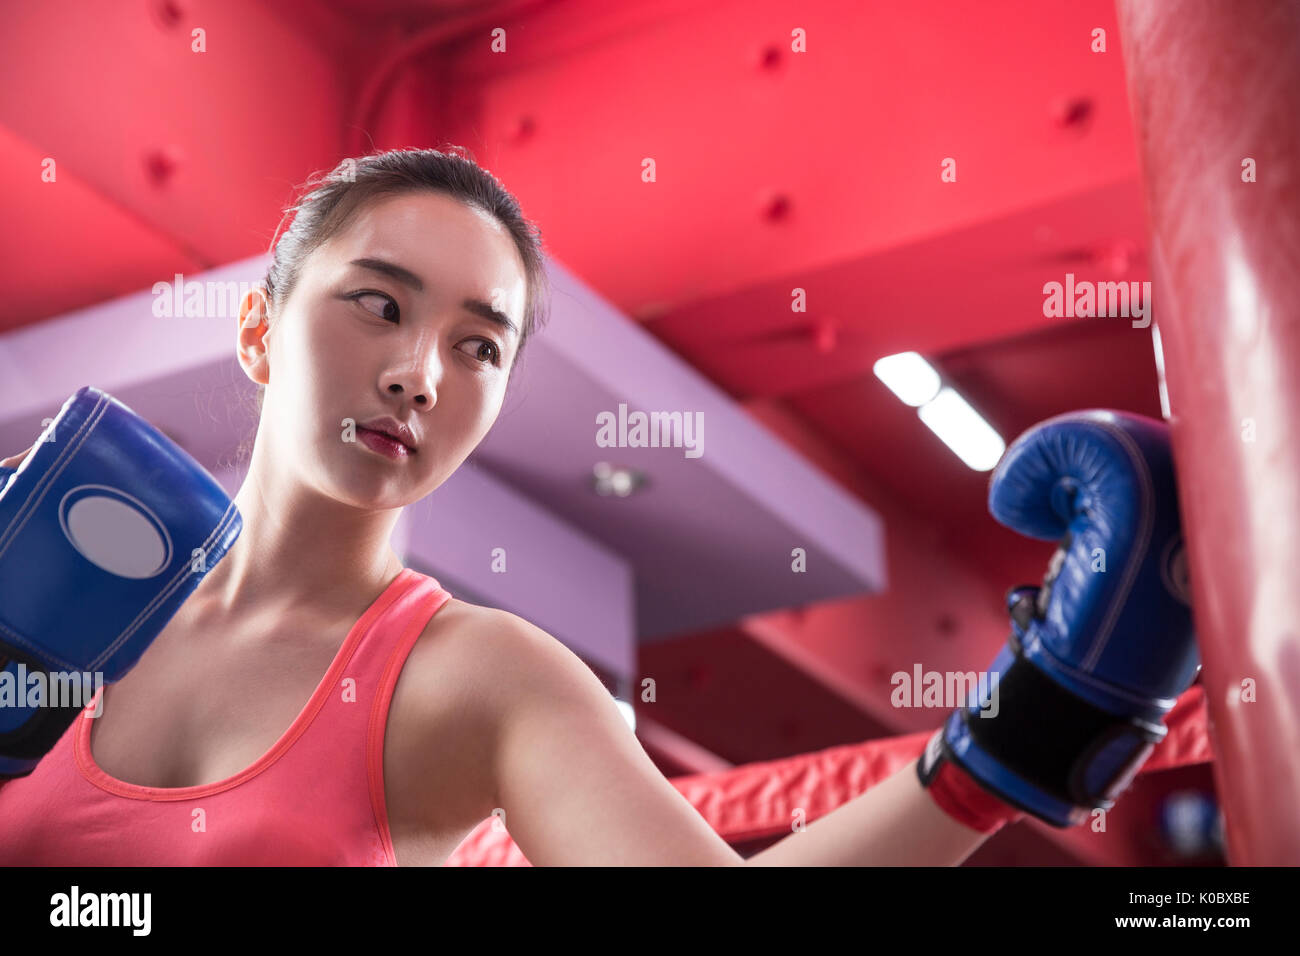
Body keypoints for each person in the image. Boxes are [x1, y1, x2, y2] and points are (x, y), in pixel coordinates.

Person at [0, 148, 1194, 867]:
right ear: (259, 329)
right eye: (377, 303)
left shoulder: (475, 673)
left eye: (479, 345)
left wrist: (1027, 734)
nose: (421, 371)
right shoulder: (75, 575)